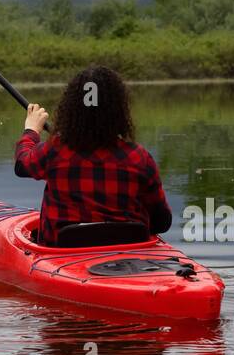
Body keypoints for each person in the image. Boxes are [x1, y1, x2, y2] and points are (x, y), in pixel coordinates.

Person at [15, 65, 172, 247]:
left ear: (71, 109)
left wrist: (31, 130)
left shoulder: (55, 151)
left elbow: (22, 165)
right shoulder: (139, 158)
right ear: (119, 111)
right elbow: (162, 222)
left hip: (62, 254)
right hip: (130, 255)